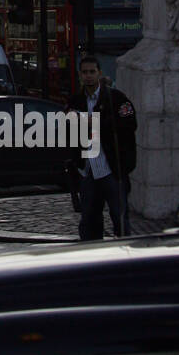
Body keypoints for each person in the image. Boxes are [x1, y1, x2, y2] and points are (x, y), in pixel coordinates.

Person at [66, 53, 137, 241]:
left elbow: (128, 124)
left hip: (111, 169)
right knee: (89, 219)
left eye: (92, 72)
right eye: (84, 72)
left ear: (99, 73)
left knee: (119, 218)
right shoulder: (75, 101)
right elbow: (68, 131)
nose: (88, 75)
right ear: (79, 75)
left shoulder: (116, 98)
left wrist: (93, 122)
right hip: (88, 170)